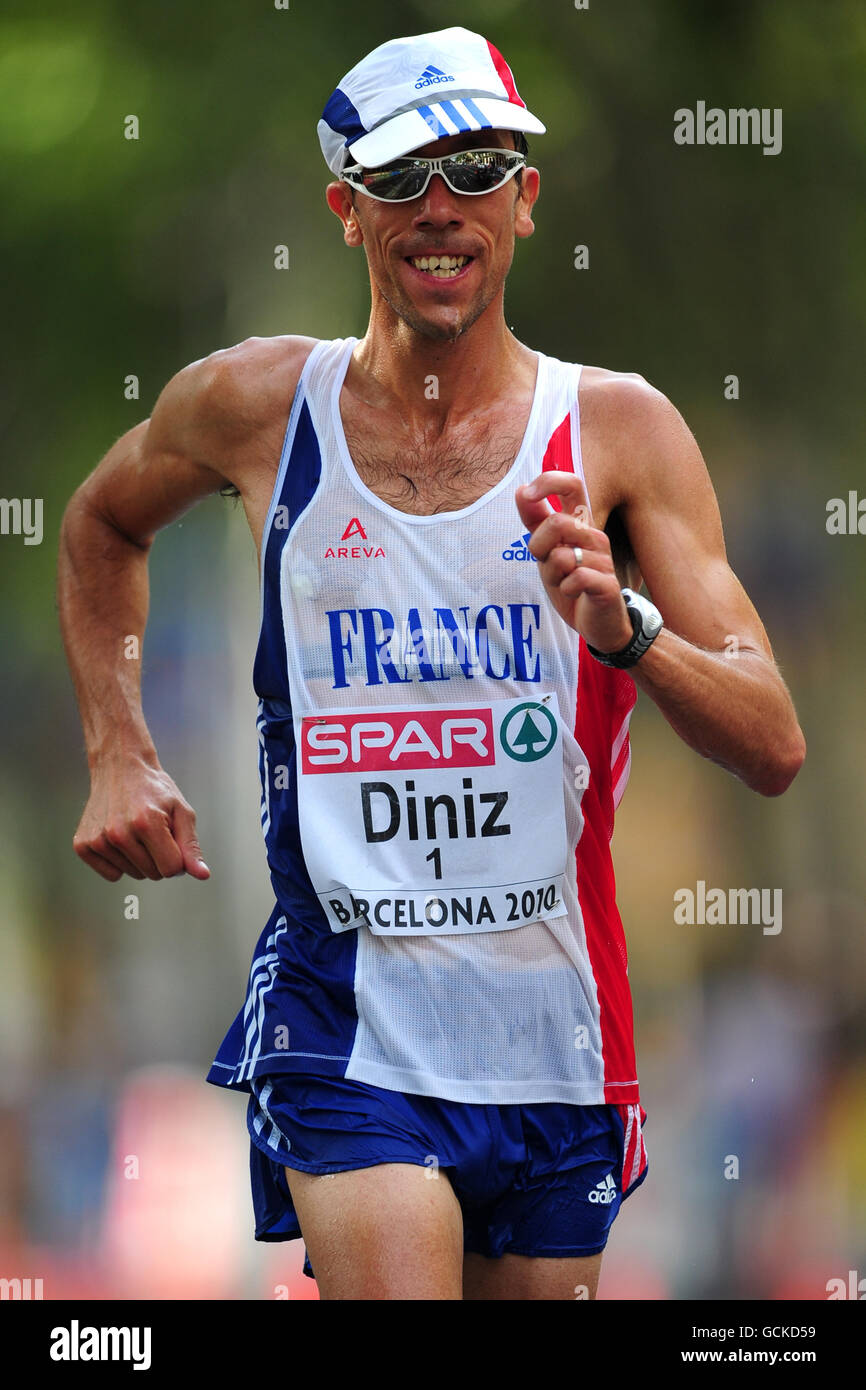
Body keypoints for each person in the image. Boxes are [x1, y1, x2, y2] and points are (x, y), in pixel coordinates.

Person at [57, 26, 806, 1301]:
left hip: (554, 1034)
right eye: (401, 181)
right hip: (348, 1010)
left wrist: (626, 627)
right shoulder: (256, 408)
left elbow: (772, 740)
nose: (439, 211)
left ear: (524, 196)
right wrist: (118, 749)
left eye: (472, 169)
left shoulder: (617, 429)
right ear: (346, 211)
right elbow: (98, 524)